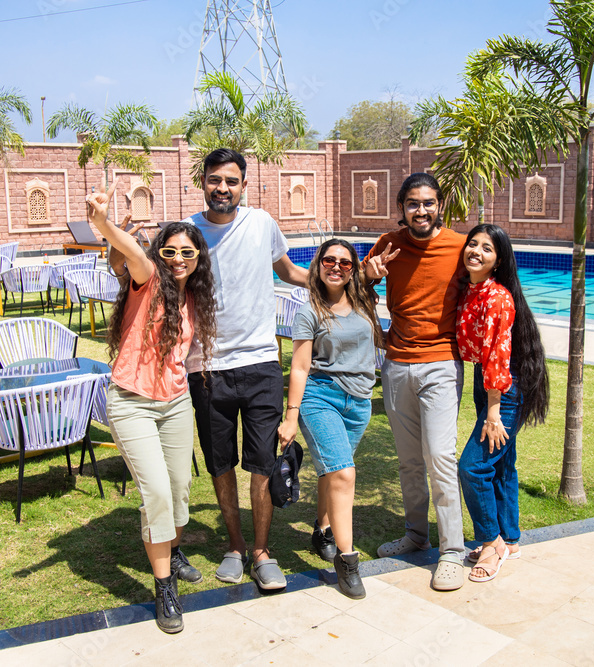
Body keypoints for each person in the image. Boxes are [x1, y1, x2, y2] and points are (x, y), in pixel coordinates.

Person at [86, 187, 217, 634]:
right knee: (157, 494)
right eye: (170, 250)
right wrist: (105, 225)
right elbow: (129, 252)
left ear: (198, 255)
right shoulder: (148, 279)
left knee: (180, 490)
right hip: (131, 404)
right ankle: (164, 588)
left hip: (175, 404)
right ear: (159, 253)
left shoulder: (196, 296)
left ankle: (173, 549)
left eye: (187, 251)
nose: (178, 258)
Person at [182, 148, 307, 590]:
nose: (223, 188)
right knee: (220, 466)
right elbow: (153, 277)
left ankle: (261, 551)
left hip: (260, 365)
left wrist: (338, 278)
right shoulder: (187, 233)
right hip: (206, 368)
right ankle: (234, 546)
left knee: (262, 463)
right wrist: (116, 244)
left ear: (244, 185)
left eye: (231, 181)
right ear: (203, 183)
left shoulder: (262, 224)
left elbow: (288, 270)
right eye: (215, 180)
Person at [363, 172, 469, 591]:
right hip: (396, 364)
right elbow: (353, 291)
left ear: (439, 205)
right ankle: (415, 534)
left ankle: (452, 551)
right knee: (408, 460)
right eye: (412, 203)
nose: (420, 210)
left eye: (427, 202)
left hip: (442, 363)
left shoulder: (461, 247)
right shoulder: (389, 244)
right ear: (401, 207)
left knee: (441, 456)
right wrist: (368, 277)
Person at [278, 239, 384, 599]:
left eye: (344, 262)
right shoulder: (309, 310)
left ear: (353, 268)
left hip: (360, 402)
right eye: (329, 260)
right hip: (320, 398)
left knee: (332, 469)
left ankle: (322, 529)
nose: (336, 266)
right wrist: (291, 416)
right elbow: (300, 366)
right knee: (343, 472)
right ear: (317, 265)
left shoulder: (365, 302)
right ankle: (347, 559)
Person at [456, 224, 549, 582]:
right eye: (472, 244)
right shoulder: (471, 290)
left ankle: (490, 544)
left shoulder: (497, 297)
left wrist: (493, 412)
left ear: (498, 261)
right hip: (489, 382)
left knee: (473, 466)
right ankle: (510, 539)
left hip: (504, 387)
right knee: (502, 462)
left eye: (487, 249)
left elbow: (496, 355)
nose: (476, 251)